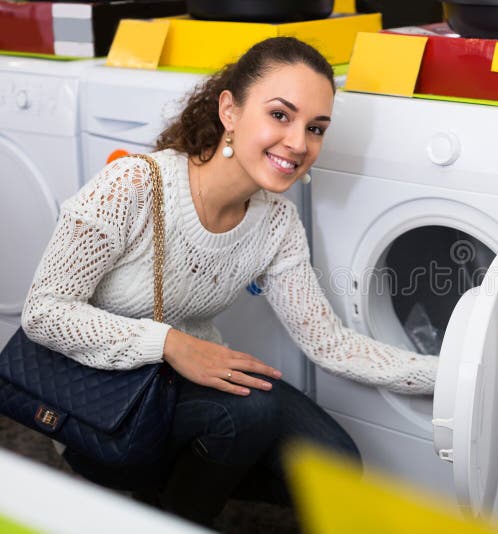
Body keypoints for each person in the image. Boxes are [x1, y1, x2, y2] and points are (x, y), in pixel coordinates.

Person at [20, 37, 438, 526]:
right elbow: (43, 311)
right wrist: (170, 344)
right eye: (280, 115)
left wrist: (448, 376)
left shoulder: (276, 224)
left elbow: (328, 343)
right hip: (97, 402)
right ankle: (165, 514)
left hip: (191, 384)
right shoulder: (132, 186)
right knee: (248, 415)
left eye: (316, 127)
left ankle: (163, 497)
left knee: (334, 461)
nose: (300, 143)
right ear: (230, 111)